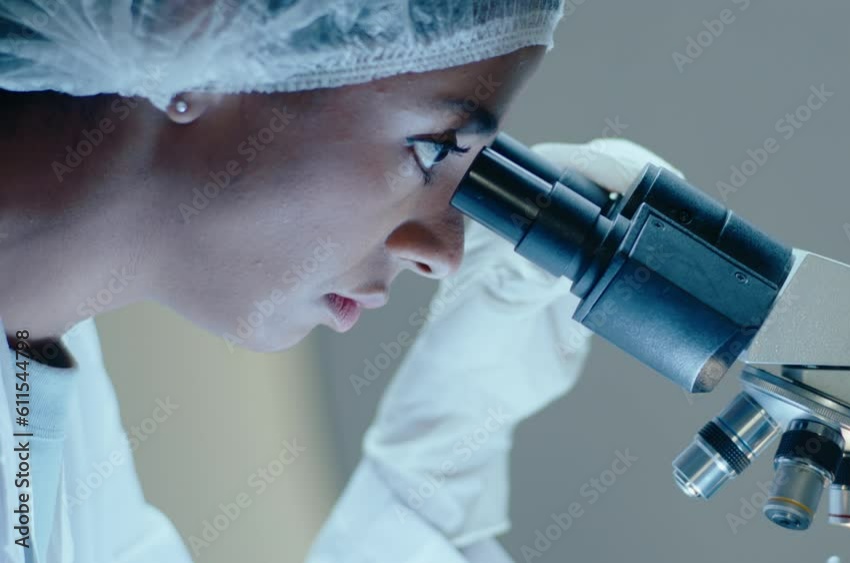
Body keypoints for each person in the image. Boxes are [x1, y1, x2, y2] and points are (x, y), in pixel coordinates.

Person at [0, 1, 683, 561]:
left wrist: (423, 487)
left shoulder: (39, 377)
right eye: (434, 148)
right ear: (197, 22)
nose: (444, 253)